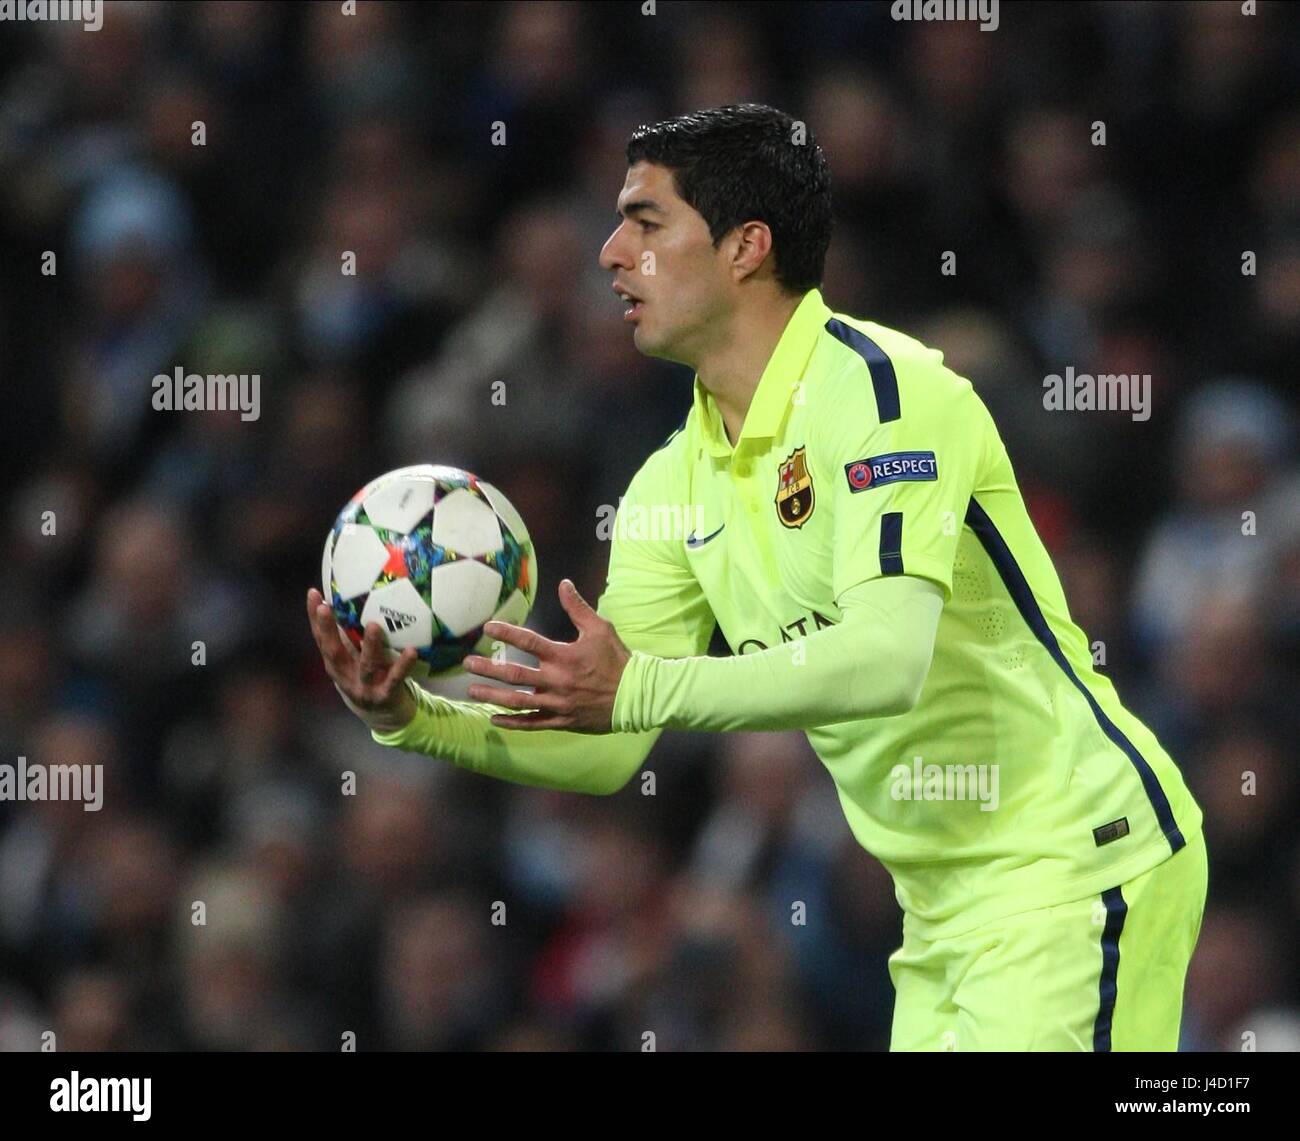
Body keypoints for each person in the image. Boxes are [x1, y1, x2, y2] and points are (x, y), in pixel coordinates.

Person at [306, 104, 1206, 1051]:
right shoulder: (670, 481)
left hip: (1076, 865)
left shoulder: (886, 396)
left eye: (645, 222)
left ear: (746, 247)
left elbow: (885, 656)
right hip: (941, 916)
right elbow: (609, 744)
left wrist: (641, 685)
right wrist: (412, 720)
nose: (608, 252)